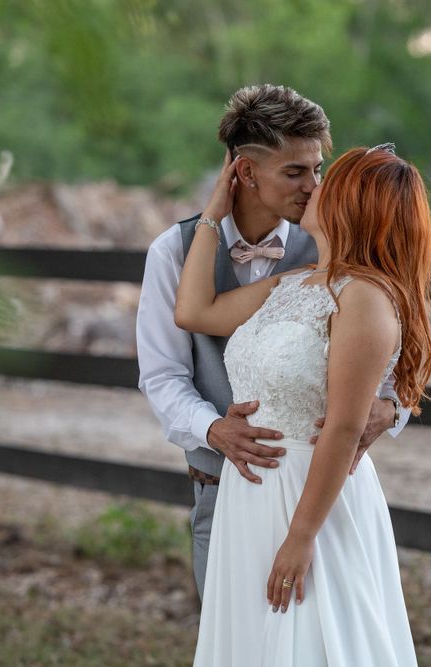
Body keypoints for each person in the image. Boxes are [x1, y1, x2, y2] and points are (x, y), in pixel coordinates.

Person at [136, 84, 410, 598]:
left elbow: (400, 353)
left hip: (317, 494)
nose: (312, 186)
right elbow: (162, 375)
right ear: (245, 172)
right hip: (222, 493)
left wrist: (393, 408)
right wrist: (213, 429)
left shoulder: (333, 240)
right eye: (294, 172)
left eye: (317, 170)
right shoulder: (173, 252)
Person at [175, 143, 431, 665]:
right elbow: (194, 312)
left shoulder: (363, 297)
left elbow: (344, 426)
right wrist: (212, 216)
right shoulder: (296, 284)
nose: (313, 188)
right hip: (249, 498)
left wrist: (301, 536)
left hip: (311, 499)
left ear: (353, 205)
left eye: (328, 181)